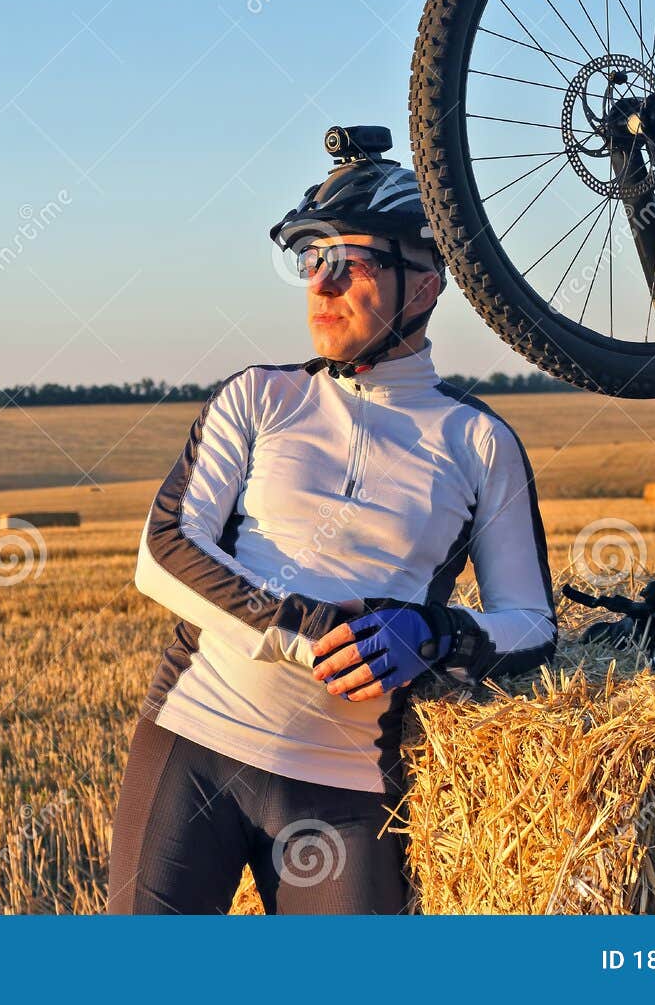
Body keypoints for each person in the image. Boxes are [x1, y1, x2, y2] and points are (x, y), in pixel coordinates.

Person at [105, 124, 556, 915]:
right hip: (196, 743)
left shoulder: (479, 441)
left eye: (349, 263)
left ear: (423, 284)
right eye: (311, 261)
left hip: (345, 785)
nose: (320, 284)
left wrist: (434, 633)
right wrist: (311, 629)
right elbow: (164, 550)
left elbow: (533, 622)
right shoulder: (260, 397)